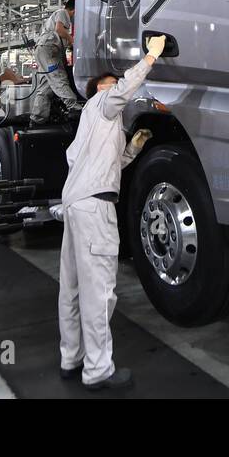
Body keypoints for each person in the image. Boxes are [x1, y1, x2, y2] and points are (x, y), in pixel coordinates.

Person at [57, 33, 164, 391]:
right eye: (107, 85)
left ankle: (71, 358)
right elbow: (121, 91)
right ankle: (98, 370)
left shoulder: (96, 126)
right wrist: (150, 58)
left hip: (75, 204)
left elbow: (108, 164)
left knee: (71, 288)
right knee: (99, 291)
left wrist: (131, 149)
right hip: (95, 209)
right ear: (98, 91)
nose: (113, 88)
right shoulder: (103, 104)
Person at [31, 0, 79, 124]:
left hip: (47, 50)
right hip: (48, 50)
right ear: (74, 10)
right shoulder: (63, 12)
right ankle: (73, 106)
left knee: (46, 86)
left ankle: (37, 118)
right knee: (58, 77)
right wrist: (72, 40)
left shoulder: (60, 18)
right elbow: (59, 29)